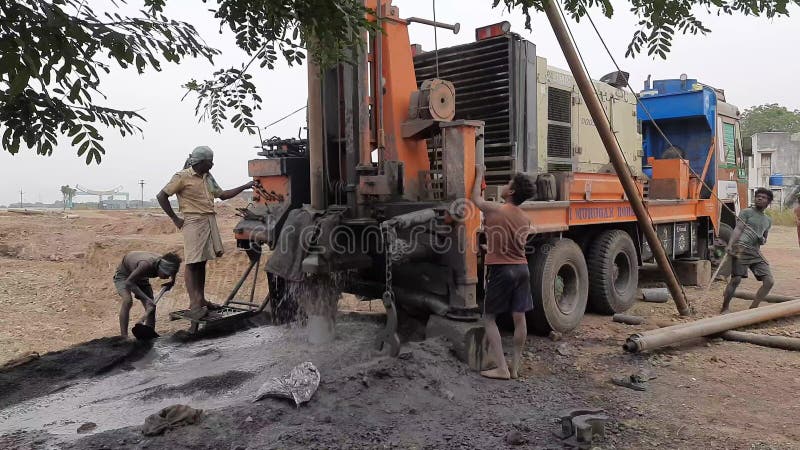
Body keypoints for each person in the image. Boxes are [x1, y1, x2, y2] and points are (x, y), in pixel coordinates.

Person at [156, 146, 254, 320]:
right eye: (210, 161)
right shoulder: (182, 176)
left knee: (201, 262)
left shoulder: (207, 178)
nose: (212, 164)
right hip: (193, 221)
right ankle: (194, 303)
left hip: (208, 220)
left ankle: (200, 299)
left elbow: (222, 195)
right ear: (200, 162)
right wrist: (175, 219)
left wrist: (246, 186)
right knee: (193, 262)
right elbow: (161, 196)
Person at [472, 165, 536, 380]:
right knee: (520, 318)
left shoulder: (496, 209)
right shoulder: (525, 219)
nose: (504, 185)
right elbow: (514, 245)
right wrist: (490, 249)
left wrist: (479, 173)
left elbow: (476, 200)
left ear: (511, 192)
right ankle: (515, 367)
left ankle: (501, 368)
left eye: (508, 184)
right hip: (522, 269)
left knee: (489, 318)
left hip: (502, 270)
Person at [720, 187, 774, 313]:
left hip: (755, 251)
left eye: (764, 197)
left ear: (768, 202)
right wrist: (730, 244)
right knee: (736, 279)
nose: (760, 198)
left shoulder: (768, 220)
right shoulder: (746, 212)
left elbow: (764, 238)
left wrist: (763, 240)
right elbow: (738, 229)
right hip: (740, 247)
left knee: (769, 281)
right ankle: (725, 307)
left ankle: (753, 309)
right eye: (758, 196)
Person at [114, 251, 181, 338]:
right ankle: (124, 337)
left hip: (141, 276)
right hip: (125, 276)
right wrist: (146, 299)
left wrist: (172, 282)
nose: (167, 277)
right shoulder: (145, 265)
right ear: (160, 268)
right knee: (127, 301)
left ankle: (149, 333)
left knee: (151, 306)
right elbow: (129, 282)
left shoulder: (167, 263)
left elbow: (174, 270)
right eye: (166, 275)